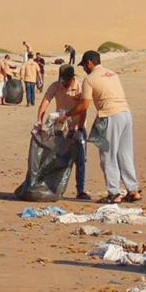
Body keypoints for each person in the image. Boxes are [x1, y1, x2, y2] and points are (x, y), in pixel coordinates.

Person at [65, 50, 141, 203]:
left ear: (89, 63)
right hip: (125, 114)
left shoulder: (89, 79)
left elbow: (84, 106)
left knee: (107, 155)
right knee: (125, 153)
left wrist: (66, 114)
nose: (84, 69)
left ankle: (114, 193)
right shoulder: (112, 74)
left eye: (84, 66)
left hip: (109, 116)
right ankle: (133, 190)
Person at [36, 64, 90, 200]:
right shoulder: (55, 86)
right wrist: (39, 121)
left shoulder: (79, 87)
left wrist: (80, 127)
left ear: (72, 78)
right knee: (57, 159)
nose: (64, 83)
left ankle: (80, 190)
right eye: (62, 80)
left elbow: (83, 109)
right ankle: (55, 188)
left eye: (67, 81)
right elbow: (45, 103)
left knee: (80, 160)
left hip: (77, 128)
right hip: (60, 129)